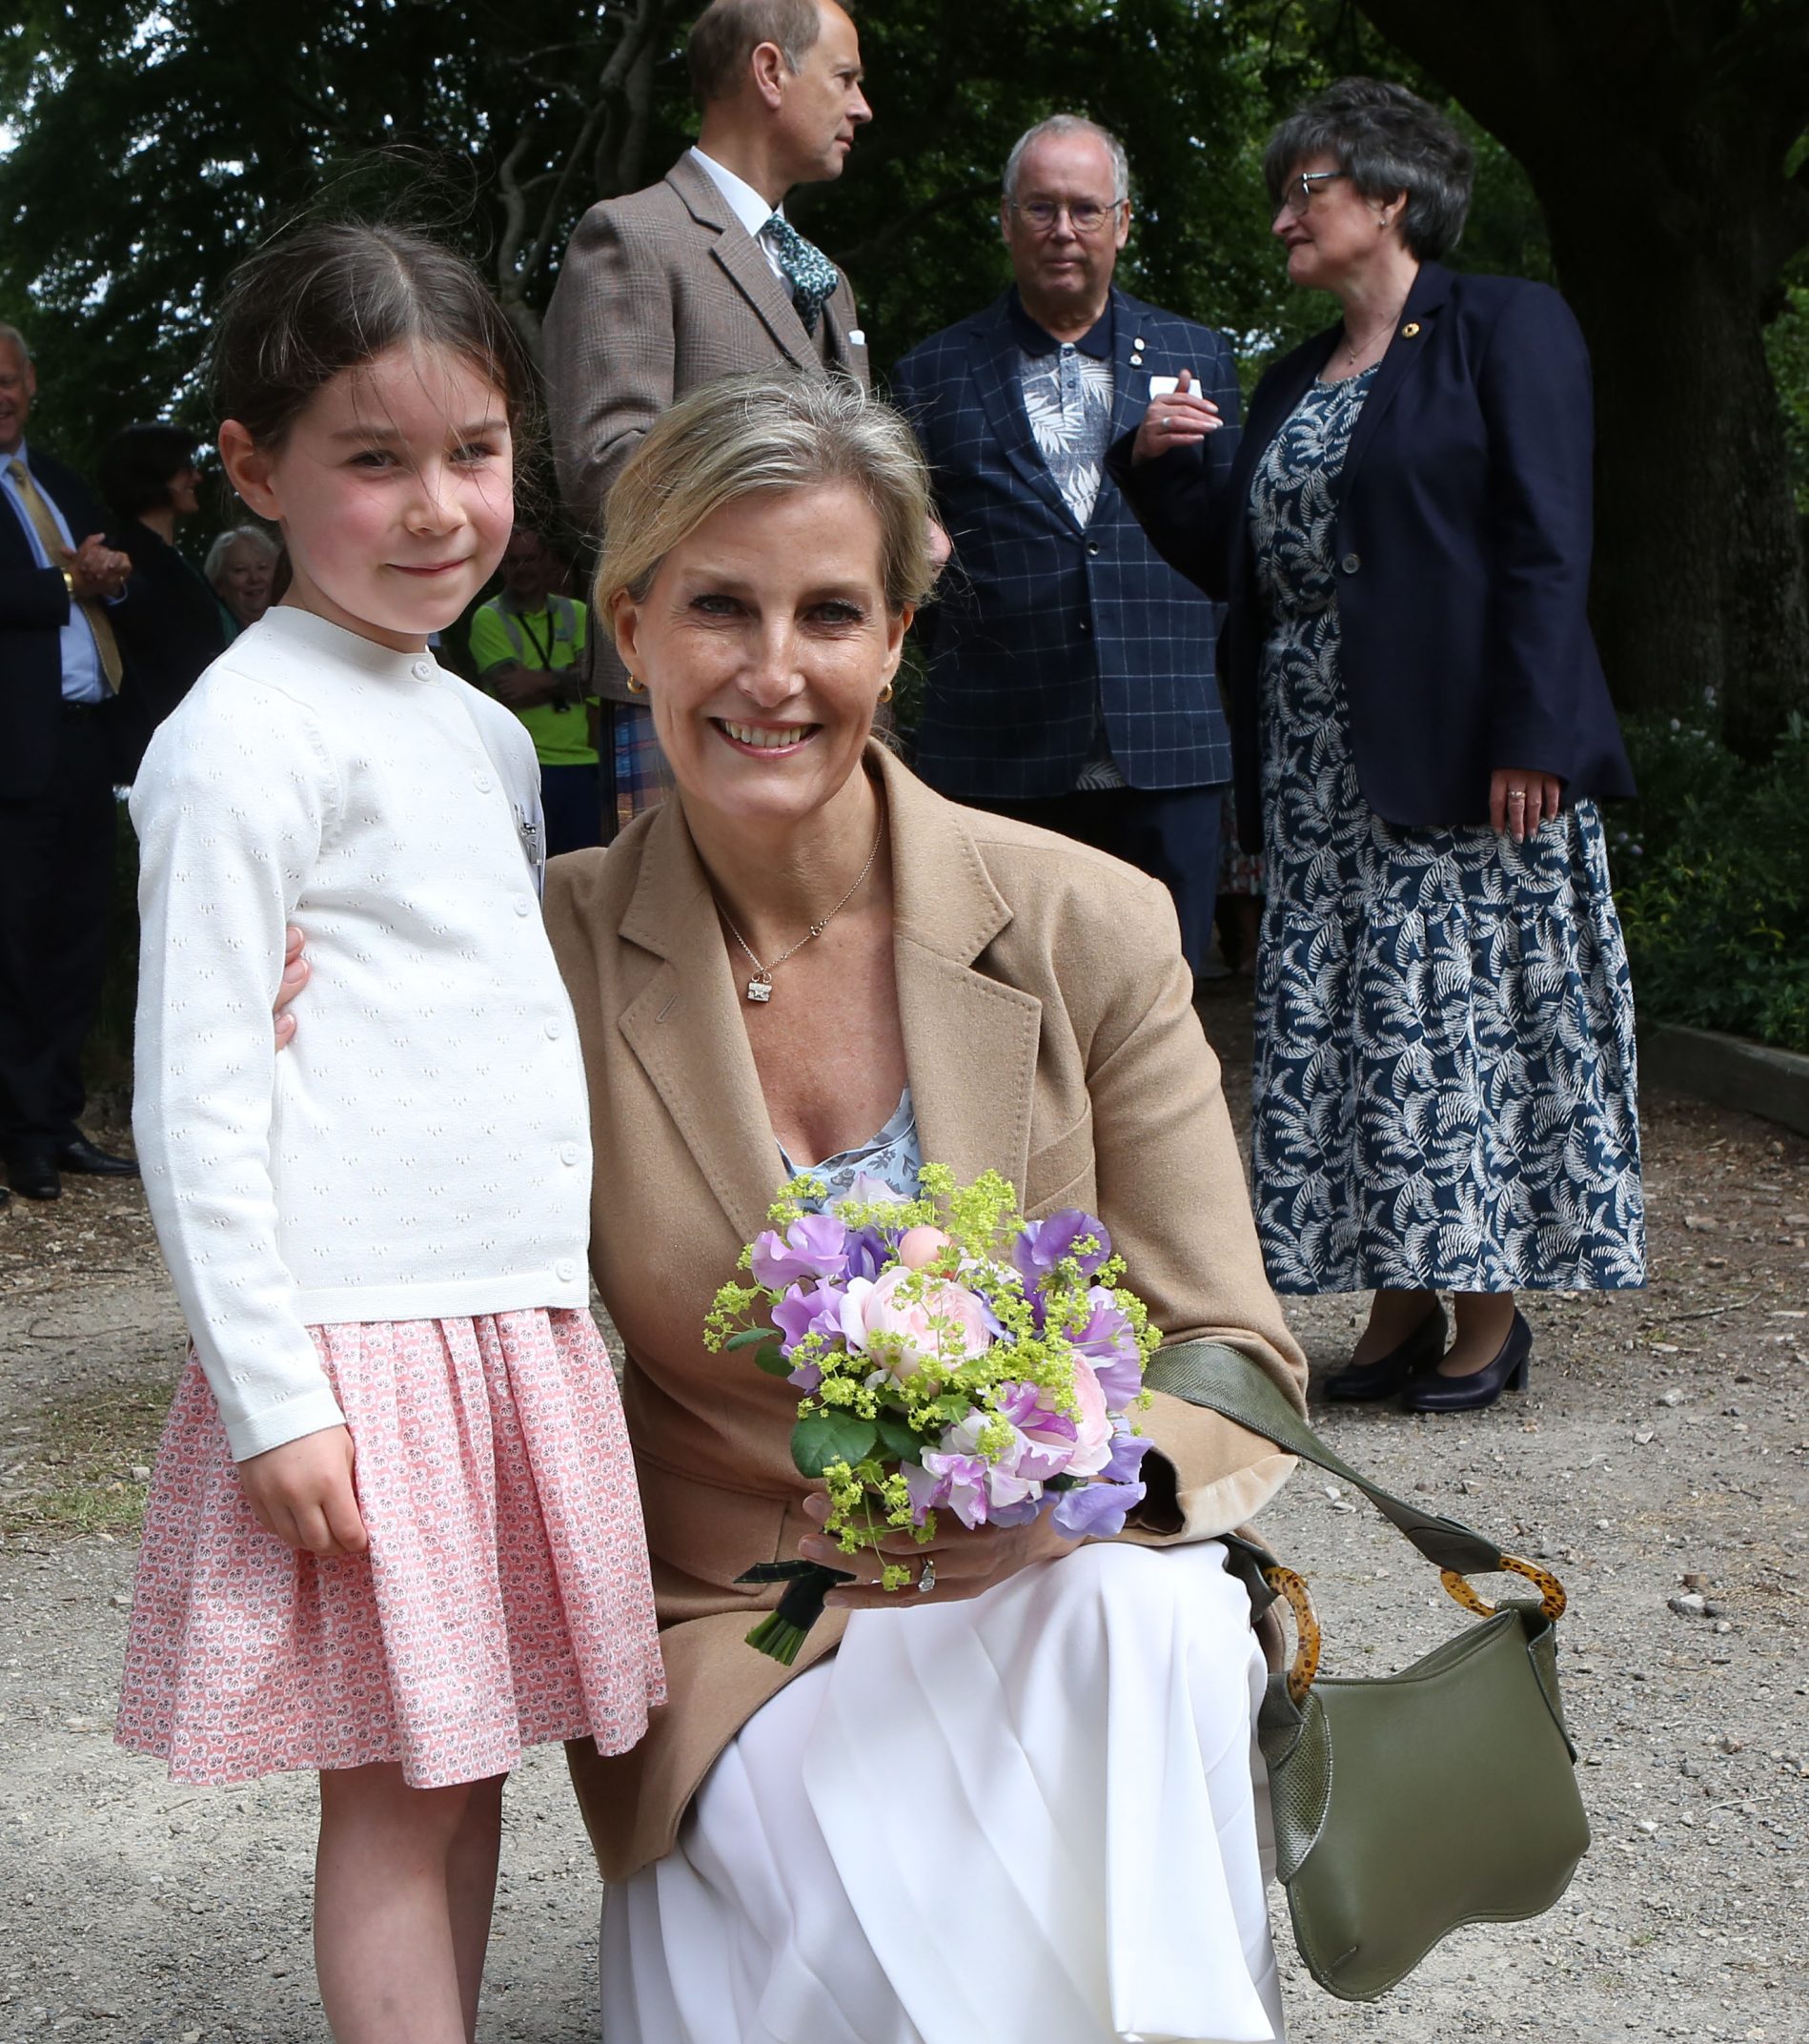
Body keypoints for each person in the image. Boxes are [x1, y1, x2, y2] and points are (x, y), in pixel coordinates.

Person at [540, 371, 1307, 2044]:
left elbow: (1231, 1343)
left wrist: (1084, 1480)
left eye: (827, 615)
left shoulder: (1083, 921)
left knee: (1159, 1615)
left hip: (1039, 1592)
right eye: (717, 608)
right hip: (750, 1622)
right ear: (628, 625)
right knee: (876, 1992)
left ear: (897, 630)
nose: (771, 672)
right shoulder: (533, 959)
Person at [117, 220, 735, 2044]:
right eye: (371, 459)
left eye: (472, 448)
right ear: (253, 466)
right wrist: (276, 1390)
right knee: (394, 1791)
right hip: (367, 1354)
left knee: (462, 1776)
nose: (439, 505)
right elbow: (192, 1094)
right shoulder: (241, 738)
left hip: (492, 1325)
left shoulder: (474, 724)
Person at [1109, 76, 1645, 1410]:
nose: (1284, 217)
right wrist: (1163, 472)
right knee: (1358, 1031)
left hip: (1464, 757)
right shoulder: (1291, 375)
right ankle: (1400, 1309)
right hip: (1314, 769)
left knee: (1453, 1025)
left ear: (1391, 201)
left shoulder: (1502, 327)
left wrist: (1529, 730)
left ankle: (1486, 1320)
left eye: (1309, 190)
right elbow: (1255, 564)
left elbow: (1545, 538)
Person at [891, 115, 1240, 981]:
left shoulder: (1202, 354)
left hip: (1168, 743)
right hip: (997, 747)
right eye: (1040, 208)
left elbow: (1236, 545)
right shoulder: (930, 373)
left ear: (1123, 222)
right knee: (1005, 1009)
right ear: (1006, 222)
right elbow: (911, 561)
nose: (1063, 230)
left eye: (1086, 210)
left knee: (1163, 1001)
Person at [544, 0, 872, 828]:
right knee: (684, 953)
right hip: (690, 692)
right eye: (845, 78)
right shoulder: (633, 236)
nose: (861, 107)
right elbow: (606, 466)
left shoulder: (827, 280)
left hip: (828, 695)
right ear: (770, 72)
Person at [0, 318, 146, 1207]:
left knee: (75, 939)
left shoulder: (51, 476)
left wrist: (113, 571)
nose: (2, 395)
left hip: (84, 743)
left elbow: (102, 568)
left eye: (9, 379)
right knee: (15, 944)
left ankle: (57, 1120)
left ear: (32, 381)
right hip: (13, 751)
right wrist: (67, 584)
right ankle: (23, 1138)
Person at [96, 419, 226, 766]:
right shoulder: (125, 560)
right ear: (154, 477)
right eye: (185, 469)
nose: (196, 478)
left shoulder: (172, 558)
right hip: (175, 748)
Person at [469, 522, 602, 856]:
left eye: (529, 559)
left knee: (585, 868)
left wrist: (538, 680)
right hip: (522, 764)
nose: (523, 569)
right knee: (532, 868)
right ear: (501, 566)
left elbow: (592, 681)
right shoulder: (488, 618)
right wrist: (570, 681)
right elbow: (510, 689)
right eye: (513, 562)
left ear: (546, 562)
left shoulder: (578, 613)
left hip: (583, 764)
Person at [204, 521, 279, 634]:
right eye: (240, 570)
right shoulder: (212, 638)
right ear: (219, 584)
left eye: (262, 567)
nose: (254, 578)